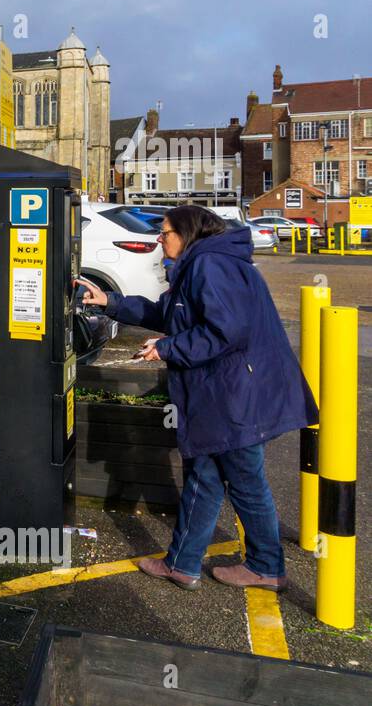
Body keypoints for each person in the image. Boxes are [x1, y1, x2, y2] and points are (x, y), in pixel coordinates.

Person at [75, 206, 316, 591]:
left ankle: (266, 566)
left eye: (165, 232)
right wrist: (111, 301)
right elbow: (170, 314)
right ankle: (183, 564)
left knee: (245, 482)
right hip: (221, 395)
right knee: (203, 478)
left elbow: (226, 331)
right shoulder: (200, 264)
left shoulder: (212, 266)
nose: (159, 238)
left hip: (235, 397)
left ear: (187, 234)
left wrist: (169, 348)